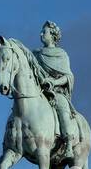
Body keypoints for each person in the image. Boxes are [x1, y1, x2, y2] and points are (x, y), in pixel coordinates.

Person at [31, 20, 76, 160]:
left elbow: (68, 76)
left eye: (44, 32)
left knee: (62, 106)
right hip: (38, 91)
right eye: (41, 31)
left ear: (52, 35)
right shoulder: (35, 54)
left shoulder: (61, 54)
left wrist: (54, 82)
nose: (41, 34)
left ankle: (68, 143)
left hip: (55, 92)